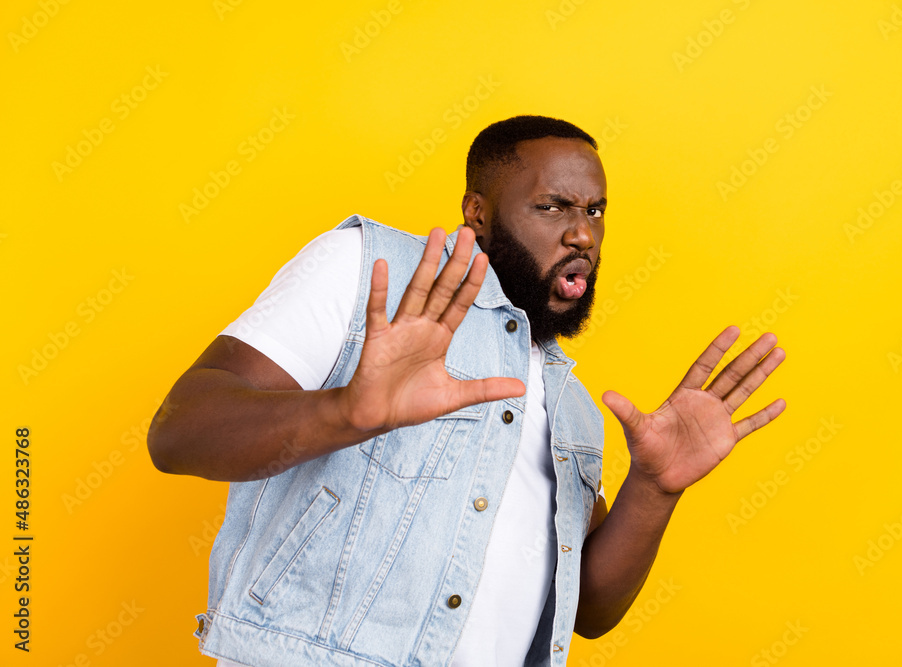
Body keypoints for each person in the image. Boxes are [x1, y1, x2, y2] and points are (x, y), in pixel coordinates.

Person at [147, 115, 786, 667]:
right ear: (476, 212)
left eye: (594, 211)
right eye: (553, 207)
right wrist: (344, 412)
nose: (583, 235)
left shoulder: (571, 407)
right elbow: (178, 431)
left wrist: (655, 489)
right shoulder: (370, 271)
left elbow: (587, 608)